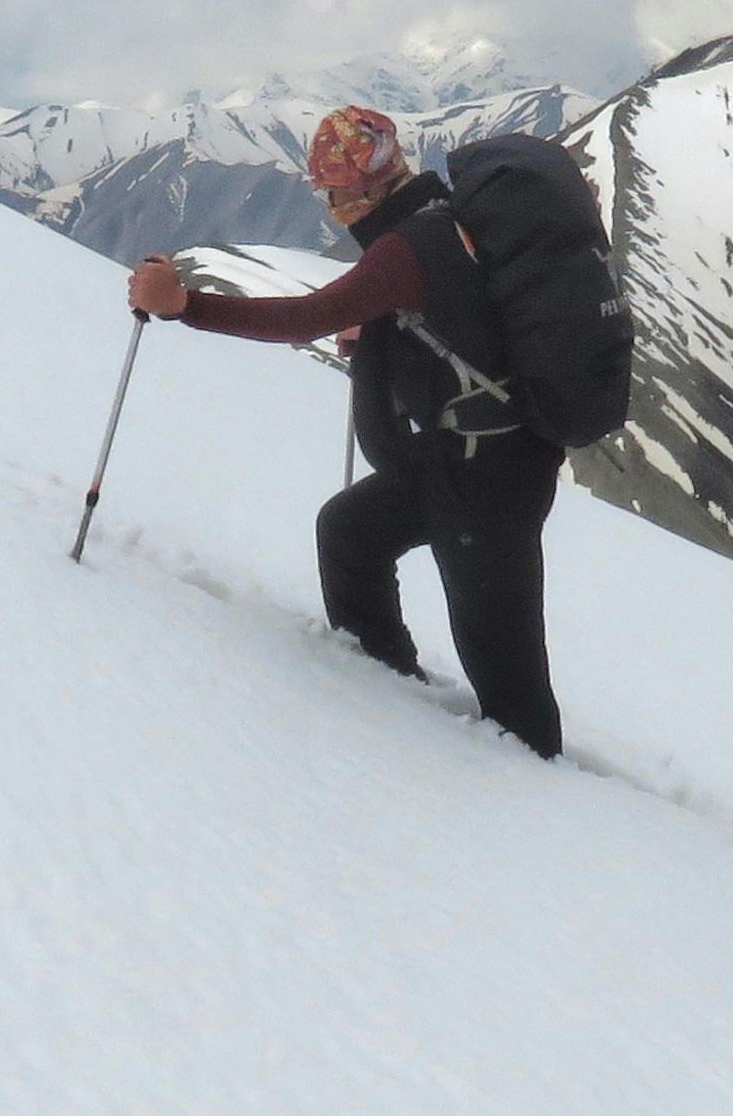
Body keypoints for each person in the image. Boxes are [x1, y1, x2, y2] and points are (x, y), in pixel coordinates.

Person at [124, 107, 564, 759]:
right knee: (350, 532)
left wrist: (186, 304)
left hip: (490, 478)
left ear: (359, 191)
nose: (333, 211)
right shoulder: (437, 217)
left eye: (330, 198)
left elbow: (305, 316)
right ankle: (384, 691)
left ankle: (545, 792)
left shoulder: (407, 247)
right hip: (465, 459)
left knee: (503, 663)